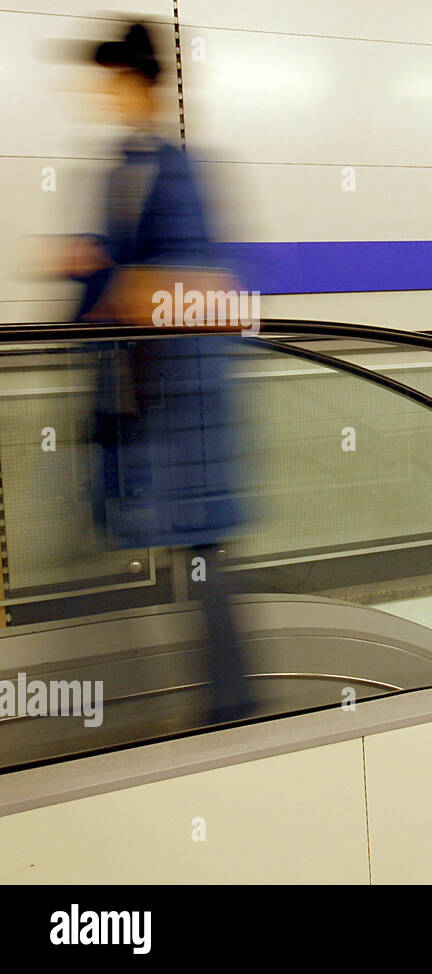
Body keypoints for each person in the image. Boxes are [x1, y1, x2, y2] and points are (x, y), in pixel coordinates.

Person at [45, 22, 254, 724]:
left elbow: (215, 292)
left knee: (199, 554)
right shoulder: (120, 170)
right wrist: (90, 271)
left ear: (136, 81)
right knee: (168, 544)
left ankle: (230, 709)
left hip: (181, 403)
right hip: (142, 402)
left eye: (109, 79)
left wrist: (112, 281)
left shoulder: (179, 170)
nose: (100, 94)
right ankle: (194, 706)